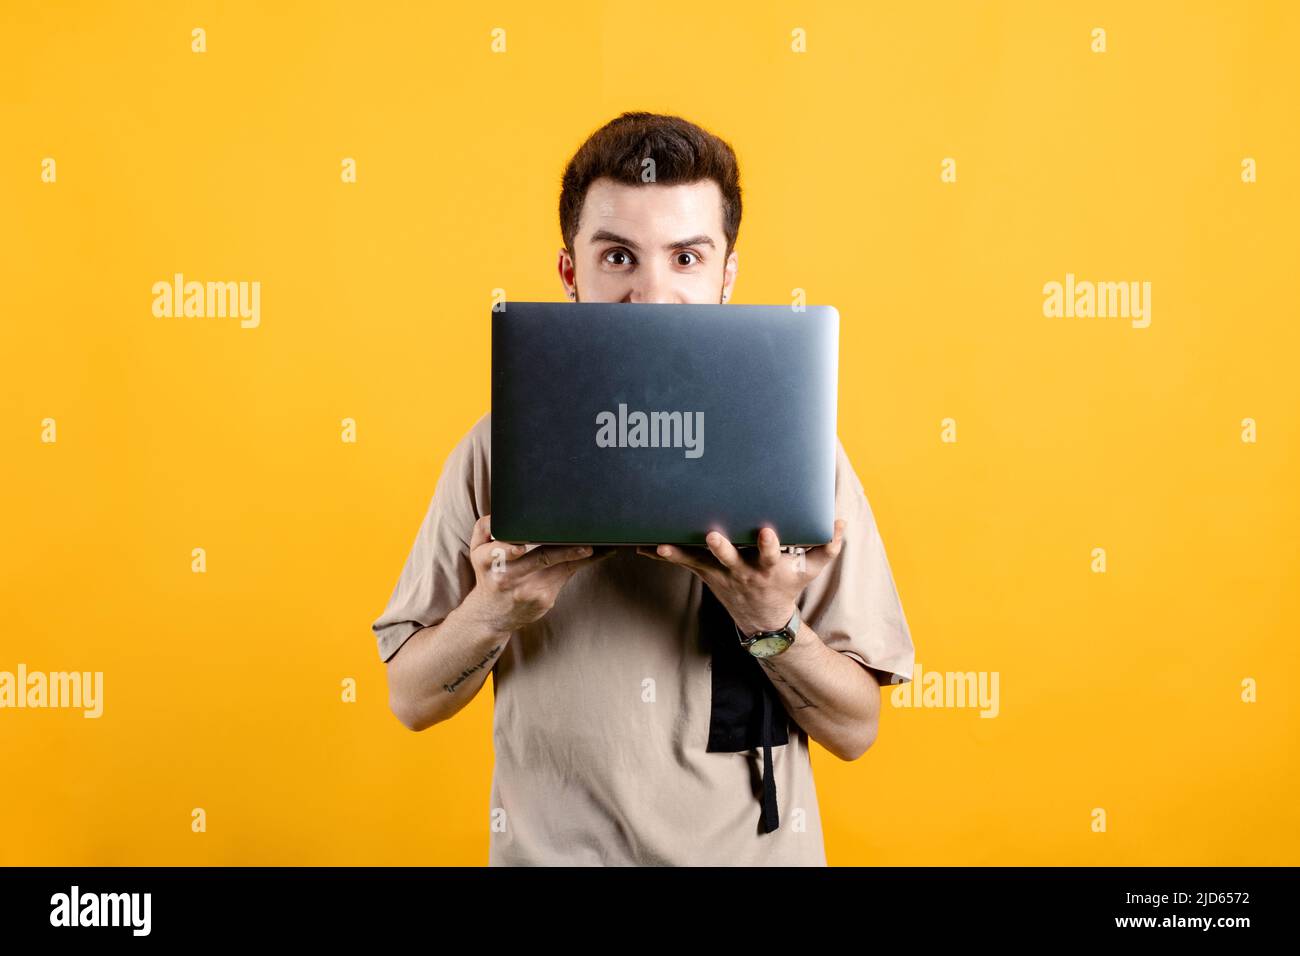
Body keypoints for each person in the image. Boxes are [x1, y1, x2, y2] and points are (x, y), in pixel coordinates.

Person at [372, 112, 915, 866]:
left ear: (728, 274)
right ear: (571, 274)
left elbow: (856, 730)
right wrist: (493, 610)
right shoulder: (498, 448)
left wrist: (769, 618)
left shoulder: (801, 455)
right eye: (619, 257)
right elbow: (411, 700)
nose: (652, 295)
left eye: (687, 258)